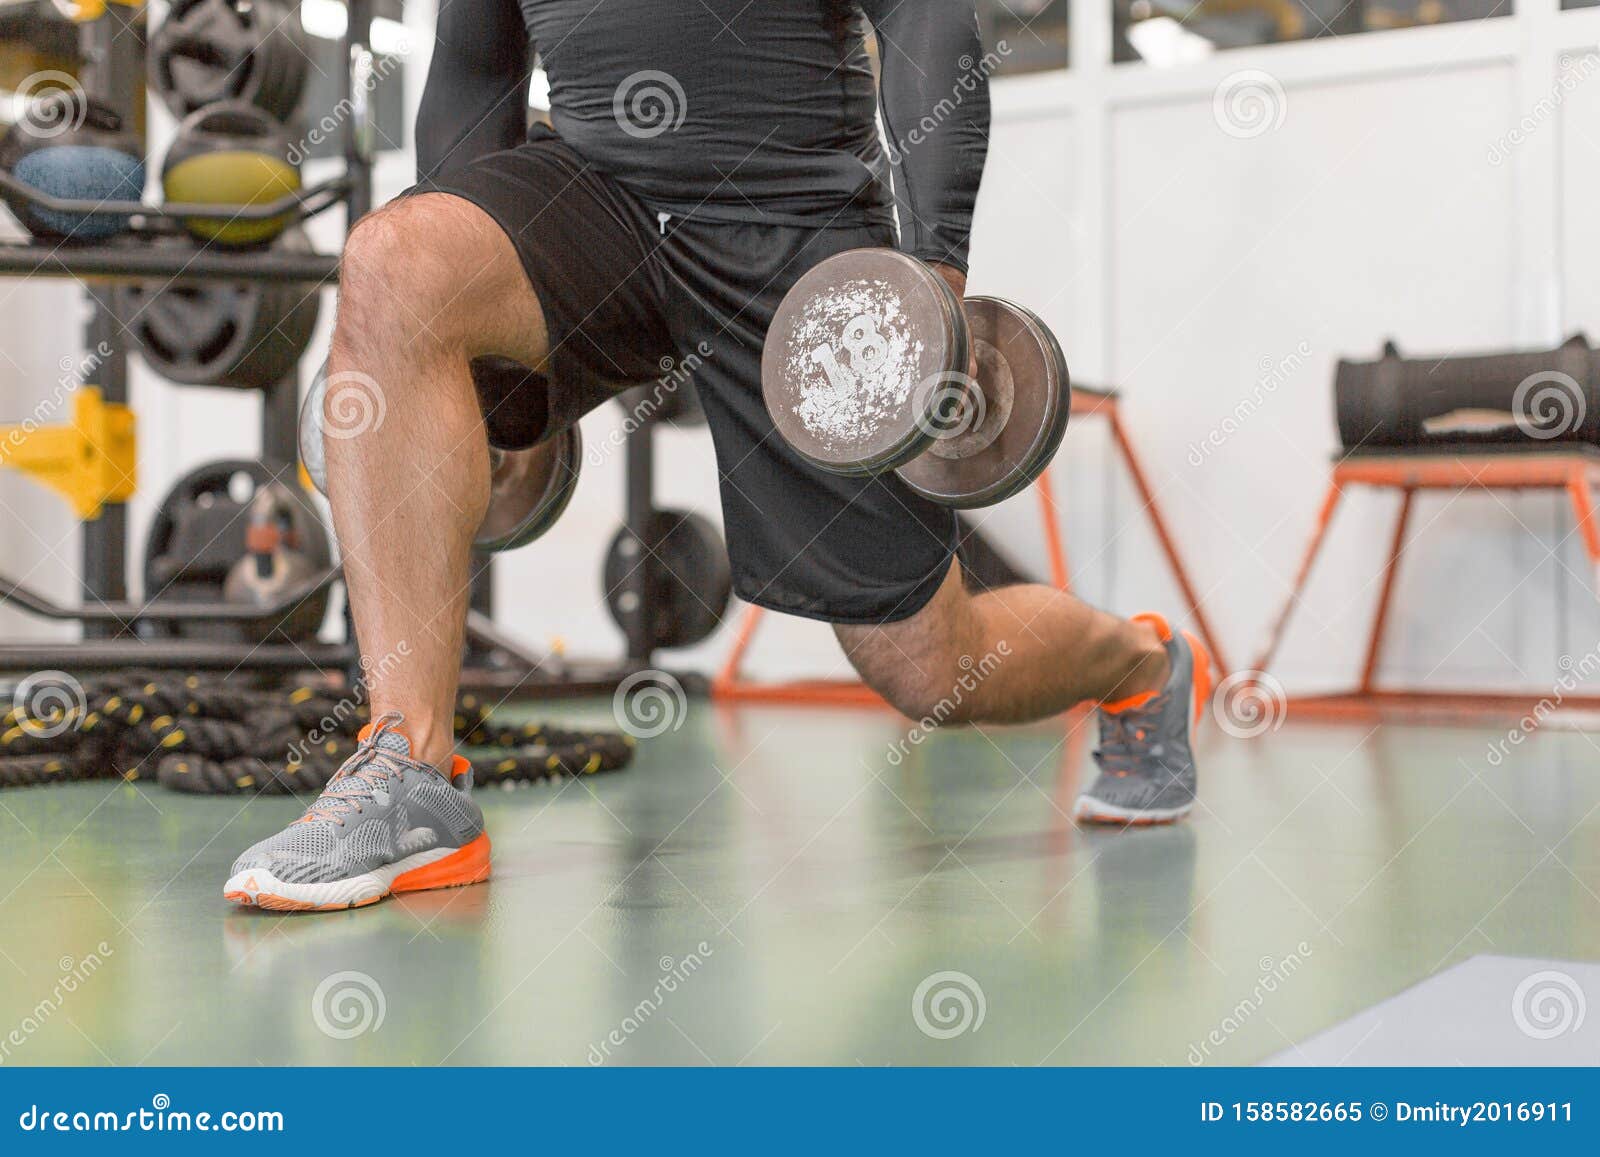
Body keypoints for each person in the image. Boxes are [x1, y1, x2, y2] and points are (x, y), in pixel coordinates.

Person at [222, 0, 1213, 912]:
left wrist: (933, 273)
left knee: (926, 664)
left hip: (794, 230)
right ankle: (411, 772)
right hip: (597, 200)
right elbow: (474, 73)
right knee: (393, 263)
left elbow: (922, 19)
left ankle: (1141, 665)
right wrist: (486, 368)